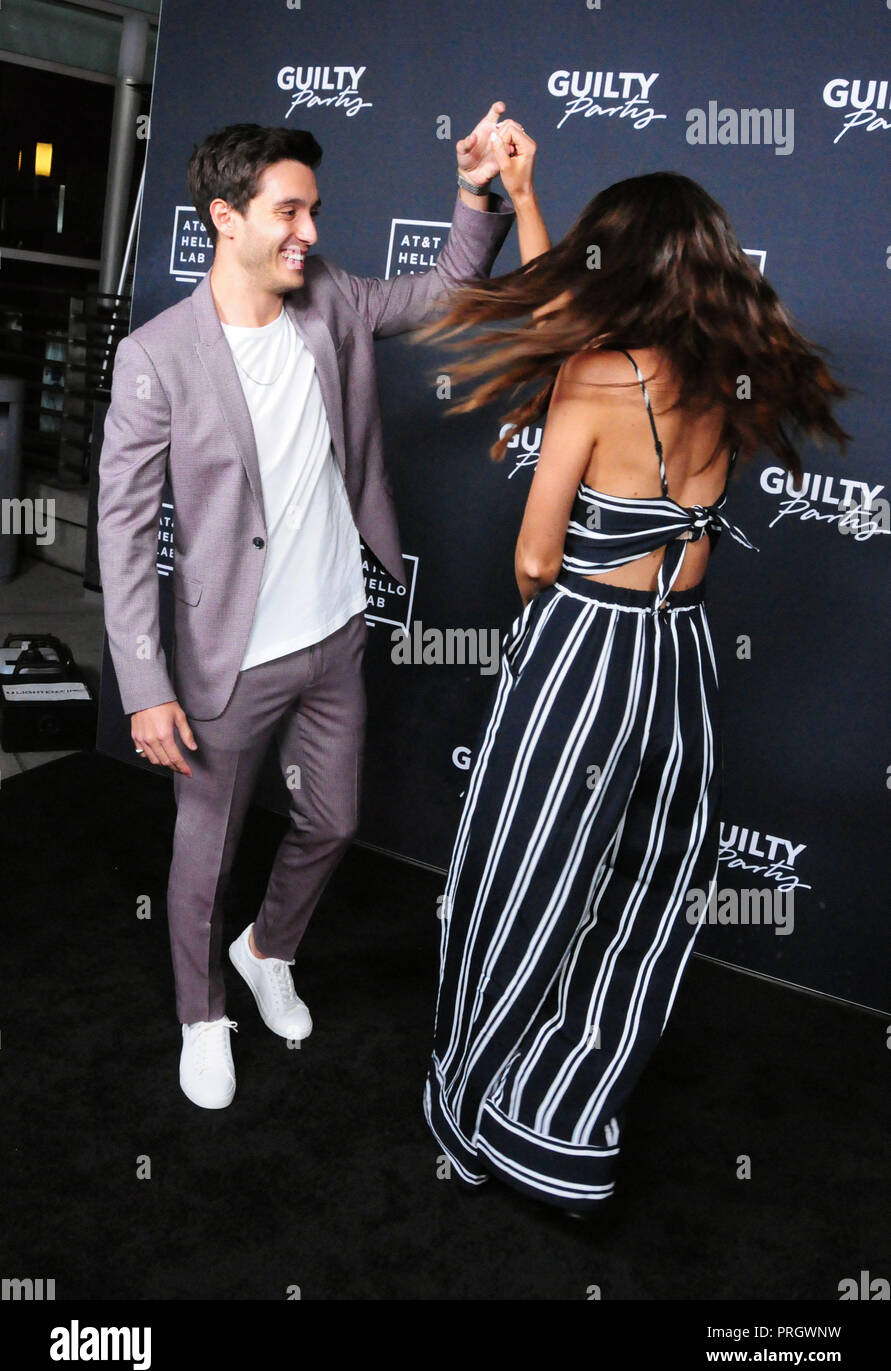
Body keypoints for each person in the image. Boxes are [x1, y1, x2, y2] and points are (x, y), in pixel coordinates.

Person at [413, 159, 851, 1212]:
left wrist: (545, 628)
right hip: (681, 659)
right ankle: (563, 1115)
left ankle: (474, 1110)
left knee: (522, 875)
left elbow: (532, 555)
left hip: (586, 647)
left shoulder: (595, 379)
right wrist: (522, 198)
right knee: (639, 898)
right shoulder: (738, 377)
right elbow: (575, 323)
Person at [97, 106, 546, 1109]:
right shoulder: (157, 358)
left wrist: (476, 193)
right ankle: (201, 1013)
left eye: (314, 210)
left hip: (337, 633)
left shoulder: (331, 299)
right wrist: (143, 682)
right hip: (228, 659)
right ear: (225, 218)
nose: (309, 231)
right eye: (288, 212)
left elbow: (444, 291)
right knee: (203, 856)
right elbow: (124, 534)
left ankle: (268, 950)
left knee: (334, 820)